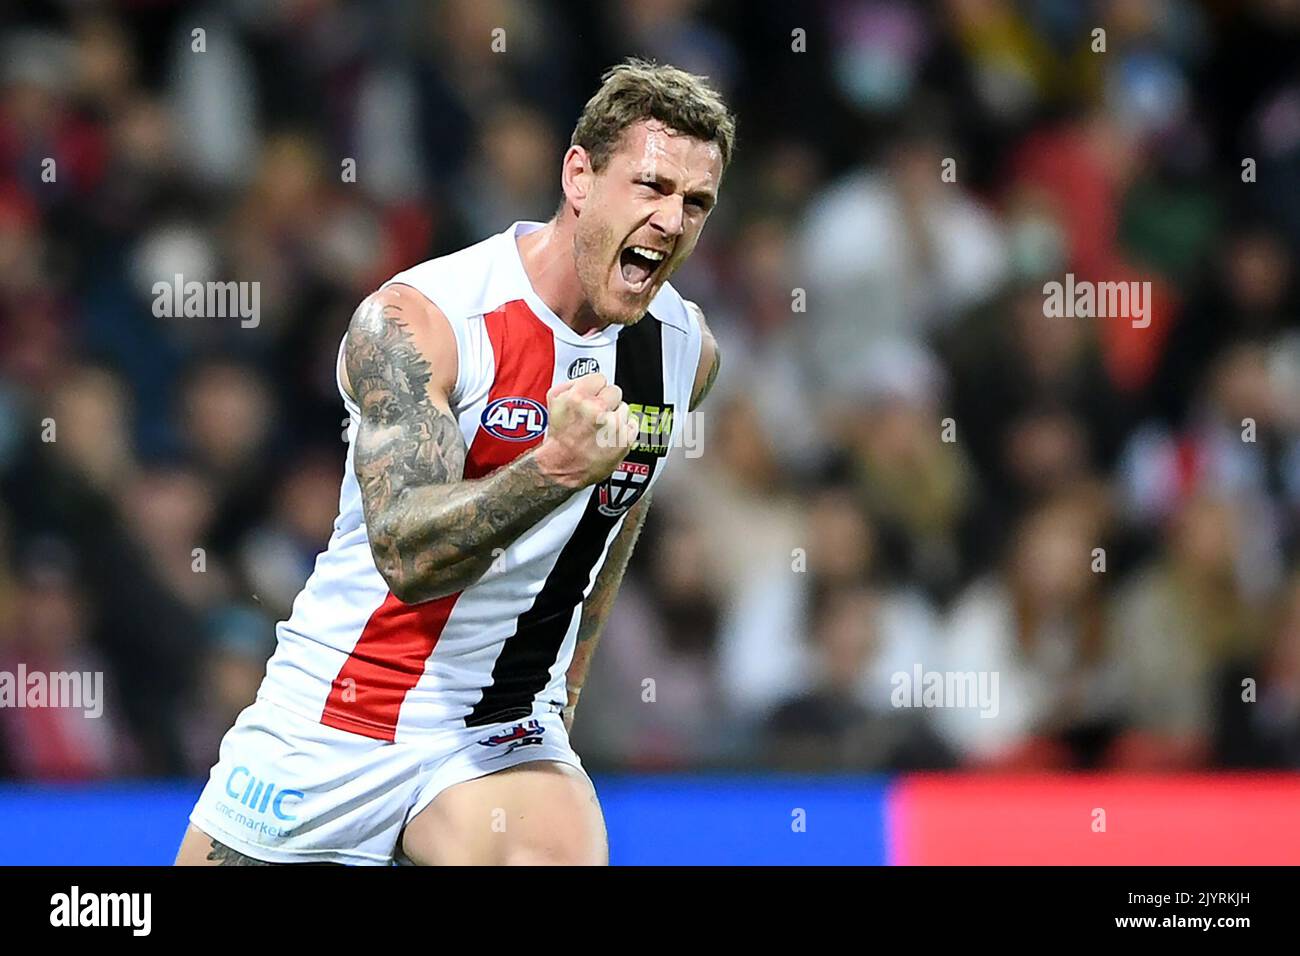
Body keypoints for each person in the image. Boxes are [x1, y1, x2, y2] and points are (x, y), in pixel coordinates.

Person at [174, 59, 733, 865]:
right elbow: (405, 552)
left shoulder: (683, 353)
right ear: (579, 175)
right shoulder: (422, 320)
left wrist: (563, 693)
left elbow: (615, 519)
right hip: (341, 708)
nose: (672, 220)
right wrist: (552, 467)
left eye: (696, 202)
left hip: (499, 724)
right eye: (649, 186)